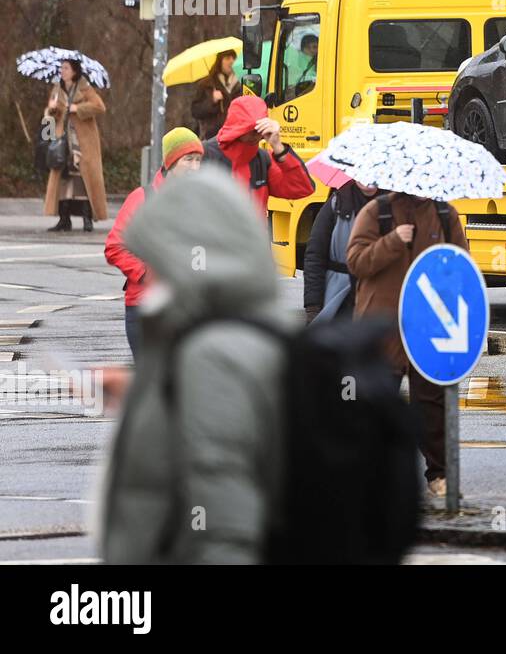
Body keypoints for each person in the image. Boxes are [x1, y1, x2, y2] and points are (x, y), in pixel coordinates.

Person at [100, 168, 289, 563]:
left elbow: (224, 514)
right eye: (186, 158)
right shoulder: (196, 339)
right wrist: (139, 398)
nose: (192, 164)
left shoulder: (212, 356)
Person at [347, 190, 469, 499]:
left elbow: (462, 267)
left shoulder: (445, 214)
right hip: (382, 326)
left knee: (432, 402)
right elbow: (356, 261)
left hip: (429, 328)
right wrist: (392, 242)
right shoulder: (378, 212)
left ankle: (439, 475)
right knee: (377, 404)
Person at [103, 128, 205, 358]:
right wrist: (147, 273)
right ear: (170, 162)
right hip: (146, 309)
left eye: (198, 160)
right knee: (155, 386)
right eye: (188, 159)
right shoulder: (143, 198)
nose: (195, 167)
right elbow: (115, 247)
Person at [201, 94, 314, 216]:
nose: (257, 135)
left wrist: (278, 146)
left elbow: (302, 188)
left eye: (260, 130)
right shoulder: (206, 154)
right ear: (237, 127)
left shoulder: (263, 159)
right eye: (252, 130)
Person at [42, 59, 108, 232]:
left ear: (74, 71)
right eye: (61, 68)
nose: (62, 71)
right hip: (62, 141)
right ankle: (64, 219)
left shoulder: (85, 88)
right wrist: (51, 109)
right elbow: (49, 117)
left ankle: (88, 219)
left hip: (83, 142)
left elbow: (100, 107)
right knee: (64, 179)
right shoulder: (57, 89)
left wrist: (77, 108)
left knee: (83, 180)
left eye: (66, 68)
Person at [303, 181, 378, 325]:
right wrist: (313, 306)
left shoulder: (394, 206)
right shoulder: (337, 203)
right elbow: (315, 256)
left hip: (377, 295)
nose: (368, 181)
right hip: (339, 297)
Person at [191, 49, 240, 140]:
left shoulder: (241, 83)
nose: (231, 61)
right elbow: (195, 111)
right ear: (220, 61)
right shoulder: (206, 84)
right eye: (227, 58)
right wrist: (211, 100)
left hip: (235, 136)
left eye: (234, 58)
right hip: (211, 137)